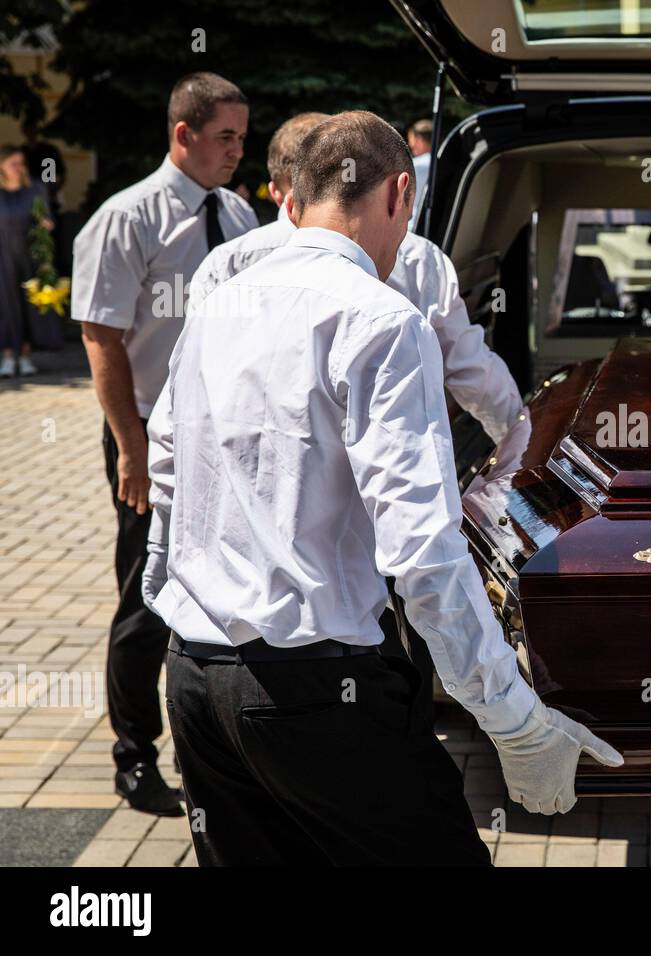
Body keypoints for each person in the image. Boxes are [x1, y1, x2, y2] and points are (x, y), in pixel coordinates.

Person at [146, 111, 621, 866]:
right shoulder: (381, 318)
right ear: (401, 191)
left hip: (196, 682)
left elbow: (167, 457)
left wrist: (164, 589)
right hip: (316, 693)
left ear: (297, 191)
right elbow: (424, 555)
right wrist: (514, 720)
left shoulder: (218, 303)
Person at [72, 72, 257, 816]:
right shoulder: (128, 219)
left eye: (243, 137)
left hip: (227, 435)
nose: (237, 151)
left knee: (225, 591)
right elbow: (102, 340)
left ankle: (219, 743)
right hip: (150, 434)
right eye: (225, 136)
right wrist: (130, 447)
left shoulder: (240, 214)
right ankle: (134, 753)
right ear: (183, 134)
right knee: (145, 600)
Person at [190, 112, 523, 442]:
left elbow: (187, 403)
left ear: (281, 194)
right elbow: (472, 370)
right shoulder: (419, 264)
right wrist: (521, 442)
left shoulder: (226, 266)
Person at [0, 146, 52, 377]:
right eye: (13, 163)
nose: (19, 168)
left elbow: (48, 222)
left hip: (28, 256)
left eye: (21, 163)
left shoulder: (35, 190)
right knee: (5, 306)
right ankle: (8, 356)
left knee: (27, 305)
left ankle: (26, 355)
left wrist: (45, 224)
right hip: (2, 256)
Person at [407, 118, 433, 231]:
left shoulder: (414, 166)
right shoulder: (442, 164)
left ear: (418, 139)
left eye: (411, 139)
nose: (410, 144)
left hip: (413, 225)